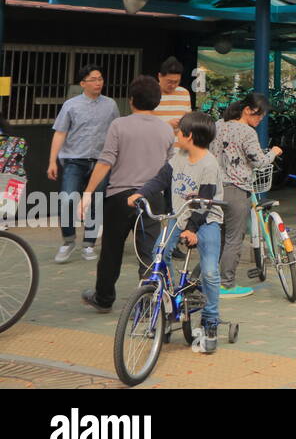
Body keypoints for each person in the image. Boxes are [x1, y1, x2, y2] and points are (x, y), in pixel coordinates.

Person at [128, 110, 224, 354]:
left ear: (189, 136)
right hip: (179, 216)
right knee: (159, 254)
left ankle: (210, 320)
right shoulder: (179, 156)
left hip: (207, 220)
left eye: (179, 131)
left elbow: (204, 204)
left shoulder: (209, 165)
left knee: (211, 271)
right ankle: (169, 304)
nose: (176, 134)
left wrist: (192, 230)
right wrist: (141, 193)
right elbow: (161, 179)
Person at [78, 76, 174, 313]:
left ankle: (104, 298)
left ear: (131, 100)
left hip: (120, 197)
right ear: (158, 100)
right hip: (152, 198)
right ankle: (150, 301)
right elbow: (171, 168)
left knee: (111, 250)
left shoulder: (119, 125)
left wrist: (88, 192)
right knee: (149, 252)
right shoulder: (167, 129)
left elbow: (106, 160)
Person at [48, 64, 119, 263]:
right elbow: (60, 133)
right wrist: (52, 161)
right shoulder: (71, 105)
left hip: (101, 162)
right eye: (93, 79)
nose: (98, 83)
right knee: (67, 199)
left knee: (96, 202)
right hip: (74, 160)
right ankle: (68, 240)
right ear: (82, 84)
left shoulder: (111, 105)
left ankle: (88, 243)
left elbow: (115, 133)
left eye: (100, 78)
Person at [212, 92, 280, 297]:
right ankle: (226, 284)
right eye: (259, 115)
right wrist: (274, 152)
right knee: (234, 238)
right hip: (236, 188)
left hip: (215, 188)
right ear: (248, 110)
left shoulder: (217, 125)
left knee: (219, 238)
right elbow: (259, 162)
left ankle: (209, 280)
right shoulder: (247, 132)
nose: (260, 120)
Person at [153, 57, 193, 130]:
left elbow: (189, 120)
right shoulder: (150, 93)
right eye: (169, 82)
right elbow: (144, 124)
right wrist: (167, 125)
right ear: (159, 76)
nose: (173, 85)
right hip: (158, 139)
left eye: (176, 82)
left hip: (179, 140)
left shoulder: (184, 93)